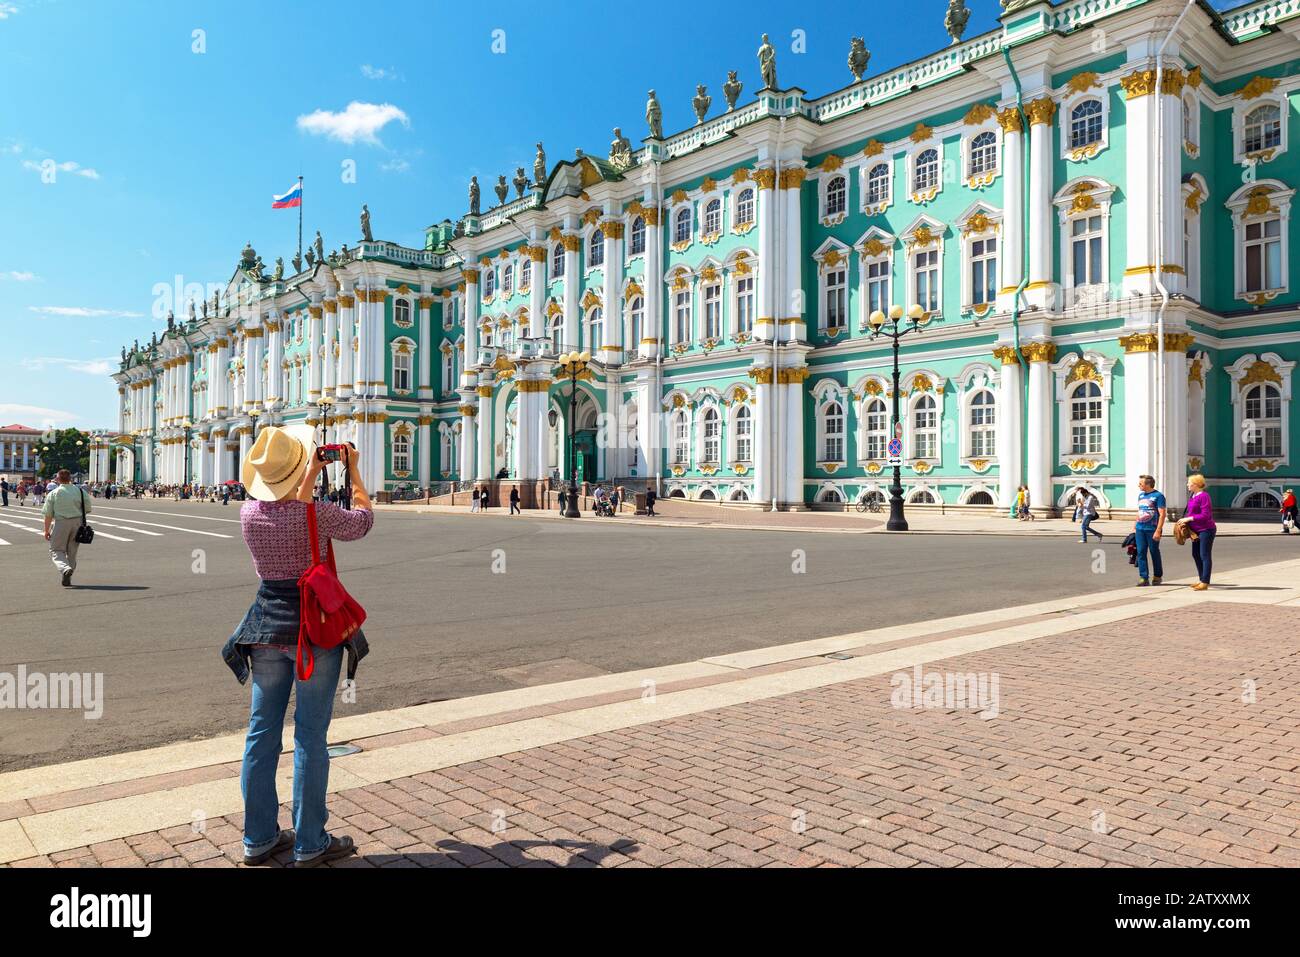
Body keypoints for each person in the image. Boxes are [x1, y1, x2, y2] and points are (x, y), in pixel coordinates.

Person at [220, 424, 373, 868]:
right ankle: (309, 842)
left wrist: (309, 473)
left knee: (261, 734)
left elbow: (290, 506)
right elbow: (362, 523)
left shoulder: (249, 513)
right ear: (301, 468)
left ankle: (258, 838)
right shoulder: (317, 513)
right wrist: (354, 472)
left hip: (266, 627)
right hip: (312, 630)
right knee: (310, 736)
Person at [42, 469, 90, 587]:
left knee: (56, 550)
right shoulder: (80, 491)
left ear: (57, 479)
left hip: (61, 523)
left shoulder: (54, 493)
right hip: (77, 523)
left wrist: (46, 530)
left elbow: (48, 515)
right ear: (71, 479)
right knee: (72, 551)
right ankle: (69, 573)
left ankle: (64, 569)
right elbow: (87, 509)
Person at [1176, 473, 1216, 591]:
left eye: (1189, 483)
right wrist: (1184, 522)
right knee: (1196, 554)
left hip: (1206, 529)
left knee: (1204, 555)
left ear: (1196, 484)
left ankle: (1205, 582)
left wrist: (1189, 519)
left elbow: (1205, 515)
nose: (1187, 485)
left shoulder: (1204, 496)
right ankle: (1201, 579)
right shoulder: (1193, 495)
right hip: (1195, 530)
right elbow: (1191, 512)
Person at [1134, 474, 1166, 586]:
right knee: (1141, 552)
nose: (1139, 485)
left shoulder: (1158, 496)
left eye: (1141, 483)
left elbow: (1162, 514)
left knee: (1154, 552)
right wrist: (1135, 524)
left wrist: (1158, 530)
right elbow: (1140, 511)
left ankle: (1157, 576)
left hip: (1152, 529)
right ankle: (1144, 577)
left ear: (1148, 484)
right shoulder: (1141, 495)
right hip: (1140, 529)